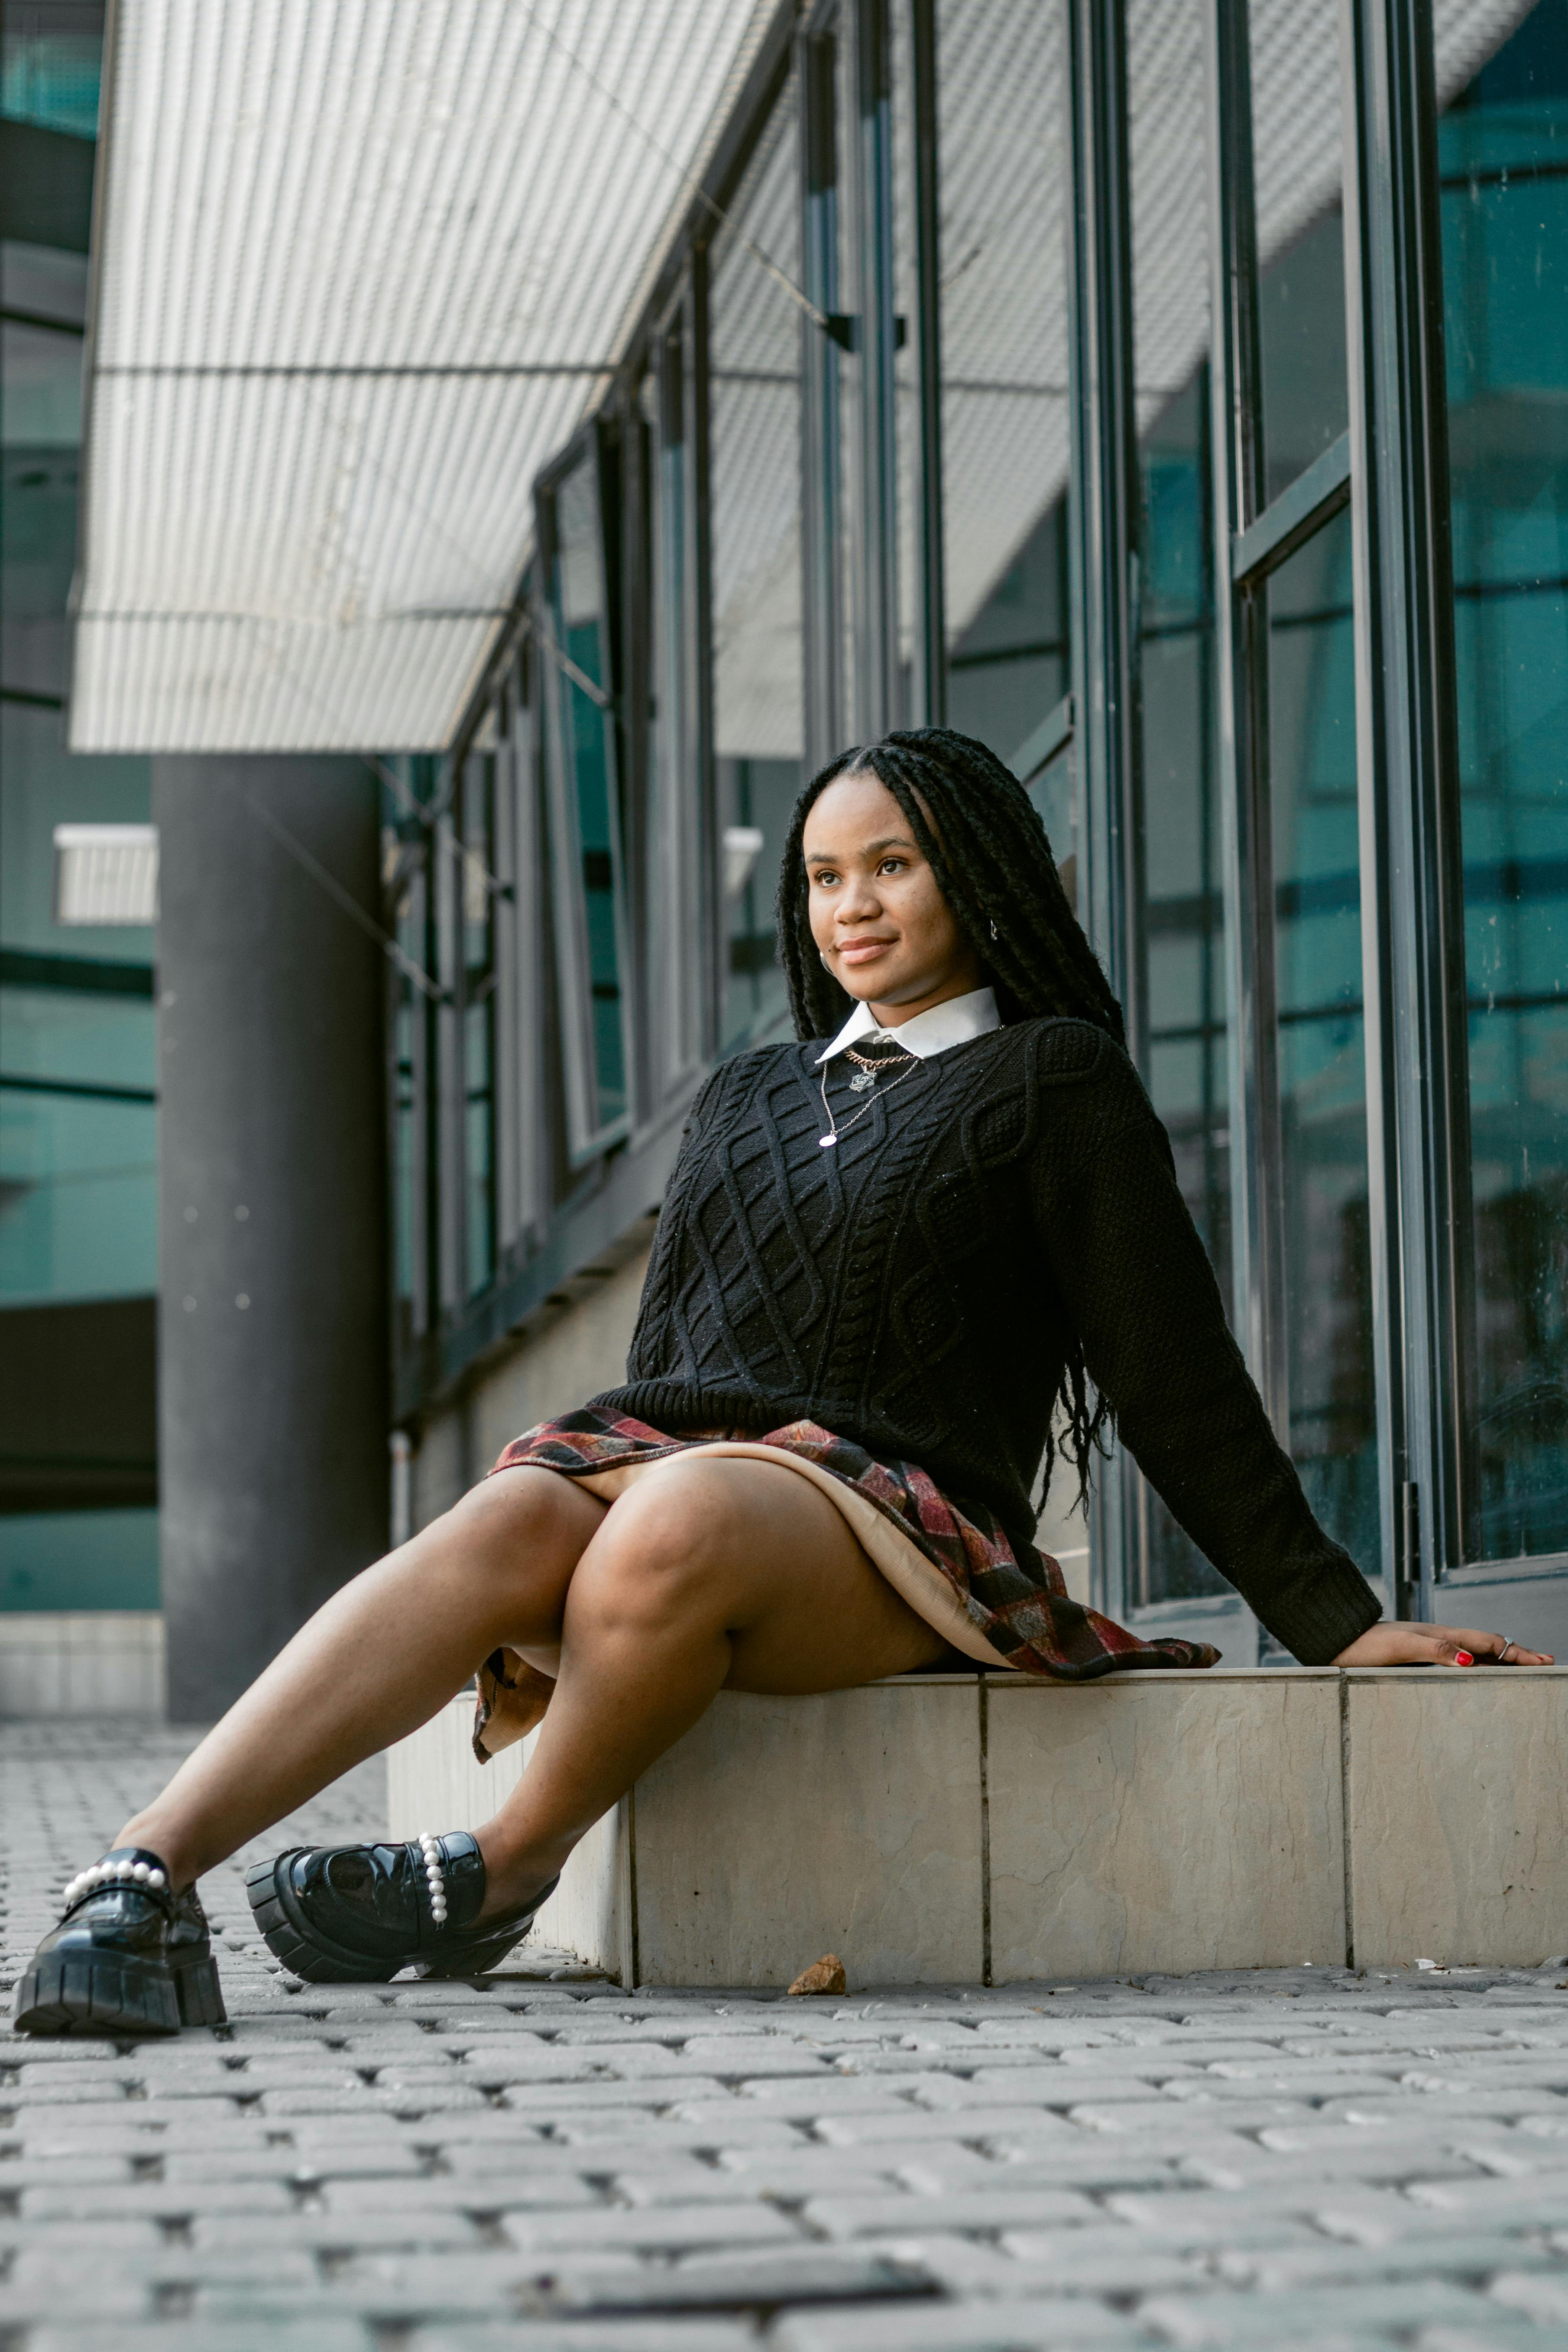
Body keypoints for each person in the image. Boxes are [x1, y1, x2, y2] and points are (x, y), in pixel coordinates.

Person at [14, 728, 1549, 2036]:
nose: (851, 906)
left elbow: (1173, 1375)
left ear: (981, 874)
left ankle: (505, 1863)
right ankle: (142, 1878)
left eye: (891, 865)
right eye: (823, 876)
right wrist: (589, 1487)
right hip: (697, 1495)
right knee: (509, 1518)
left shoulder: (1051, 1079)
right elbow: (672, 1365)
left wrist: (1335, 1624)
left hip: (904, 1533)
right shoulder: (752, 1092)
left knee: (677, 1507)